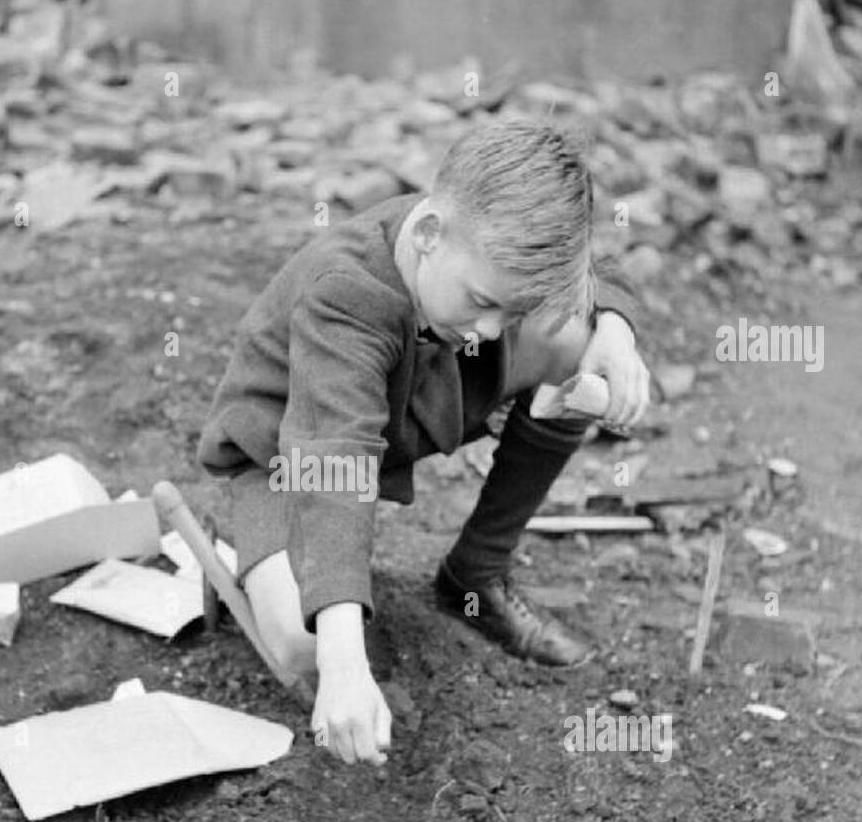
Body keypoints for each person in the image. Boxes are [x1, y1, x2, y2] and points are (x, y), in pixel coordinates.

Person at [197, 120, 650, 766]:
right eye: (485, 303)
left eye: (510, 314)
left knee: (577, 347)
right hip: (293, 448)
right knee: (302, 644)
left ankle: (476, 572)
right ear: (429, 234)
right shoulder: (346, 293)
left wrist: (615, 331)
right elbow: (336, 463)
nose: (491, 333)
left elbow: (590, 273)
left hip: (412, 395)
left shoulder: (477, 261)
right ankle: (253, 544)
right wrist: (346, 664)